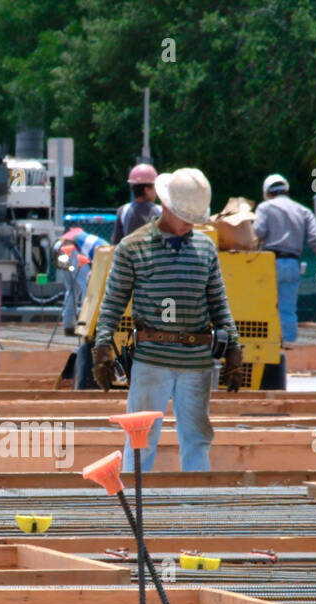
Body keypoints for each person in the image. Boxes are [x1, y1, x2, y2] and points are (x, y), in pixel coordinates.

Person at [91, 167, 240, 471]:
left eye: (195, 220)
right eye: (186, 218)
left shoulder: (205, 249)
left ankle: (196, 509)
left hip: (196, 363)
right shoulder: (133, 247)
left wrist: (234, 350)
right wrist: (102, 347)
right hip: (151, 361)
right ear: (168, 207)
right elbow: (113, 303)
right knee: (140, 440)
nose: (190, 225)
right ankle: (136, 511)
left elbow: (218, 304)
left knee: (197, 438)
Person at [253, 173, 316, 344]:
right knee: (287, 311)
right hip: (293, 264)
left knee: (264, 309)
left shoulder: (265, 208)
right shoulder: (303, 211)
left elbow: (257, 233)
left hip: (268, 263)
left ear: (268, 192)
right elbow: (315, 240)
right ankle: (287, 350)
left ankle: (266, 348)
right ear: (286, 189)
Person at [111, 163, 162, 244]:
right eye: (154, 187)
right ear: (146, 190)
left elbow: (116, 243)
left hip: (128, 255)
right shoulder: (160, 211)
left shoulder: (123, 210)